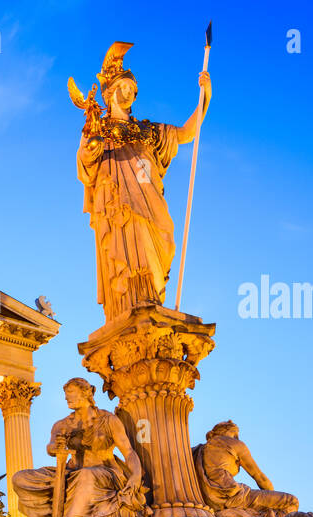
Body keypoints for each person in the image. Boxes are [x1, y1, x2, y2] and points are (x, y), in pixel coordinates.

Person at [75, 42, 210, 322]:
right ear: (110, 92)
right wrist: (92, 149)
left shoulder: (147, 130)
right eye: (124, 87)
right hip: (118, 203)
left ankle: (151, 298)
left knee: (163, 234)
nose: (130, 93)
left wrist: (205, 97)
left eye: (132, 90)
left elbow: (186, 133)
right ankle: (130, 303)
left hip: (149, 198)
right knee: (129, 243)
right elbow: (84, 161)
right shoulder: (98, 128)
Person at [11, 377, 146, 517]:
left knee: (87, 474)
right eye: (66, 395)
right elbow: (51, 447)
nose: (67, 398)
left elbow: (129, 452)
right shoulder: (62, 425)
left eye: (71, 393)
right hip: (70, 471)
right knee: (20, 478)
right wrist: (57, 445)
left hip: (105, 472)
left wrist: (135, 475)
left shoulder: (108, 419)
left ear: (86, 393)